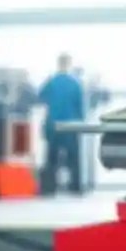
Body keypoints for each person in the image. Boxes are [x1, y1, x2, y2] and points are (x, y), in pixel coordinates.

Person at [37, 53, 86, 195]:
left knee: (51, 158)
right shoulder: (75, 83)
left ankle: (49, 188)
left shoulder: (52, 81)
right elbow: (80, 106)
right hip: (71, 125)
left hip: (53, 124)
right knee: (73, 158)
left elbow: (40, 96)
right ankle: (75, 187)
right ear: (69, 64)